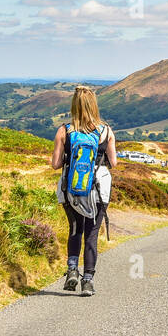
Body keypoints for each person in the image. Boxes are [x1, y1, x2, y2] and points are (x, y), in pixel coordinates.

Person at [50, 85, 116, 295]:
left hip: (72, 189)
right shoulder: (105, 131)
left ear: (74, 105)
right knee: (91, 234)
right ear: (94, 105)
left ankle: (71, 270)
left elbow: (55, 164)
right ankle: (87, 280)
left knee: (75, 230)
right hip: (98, 188)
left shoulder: (64, 130)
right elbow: (113, 162)